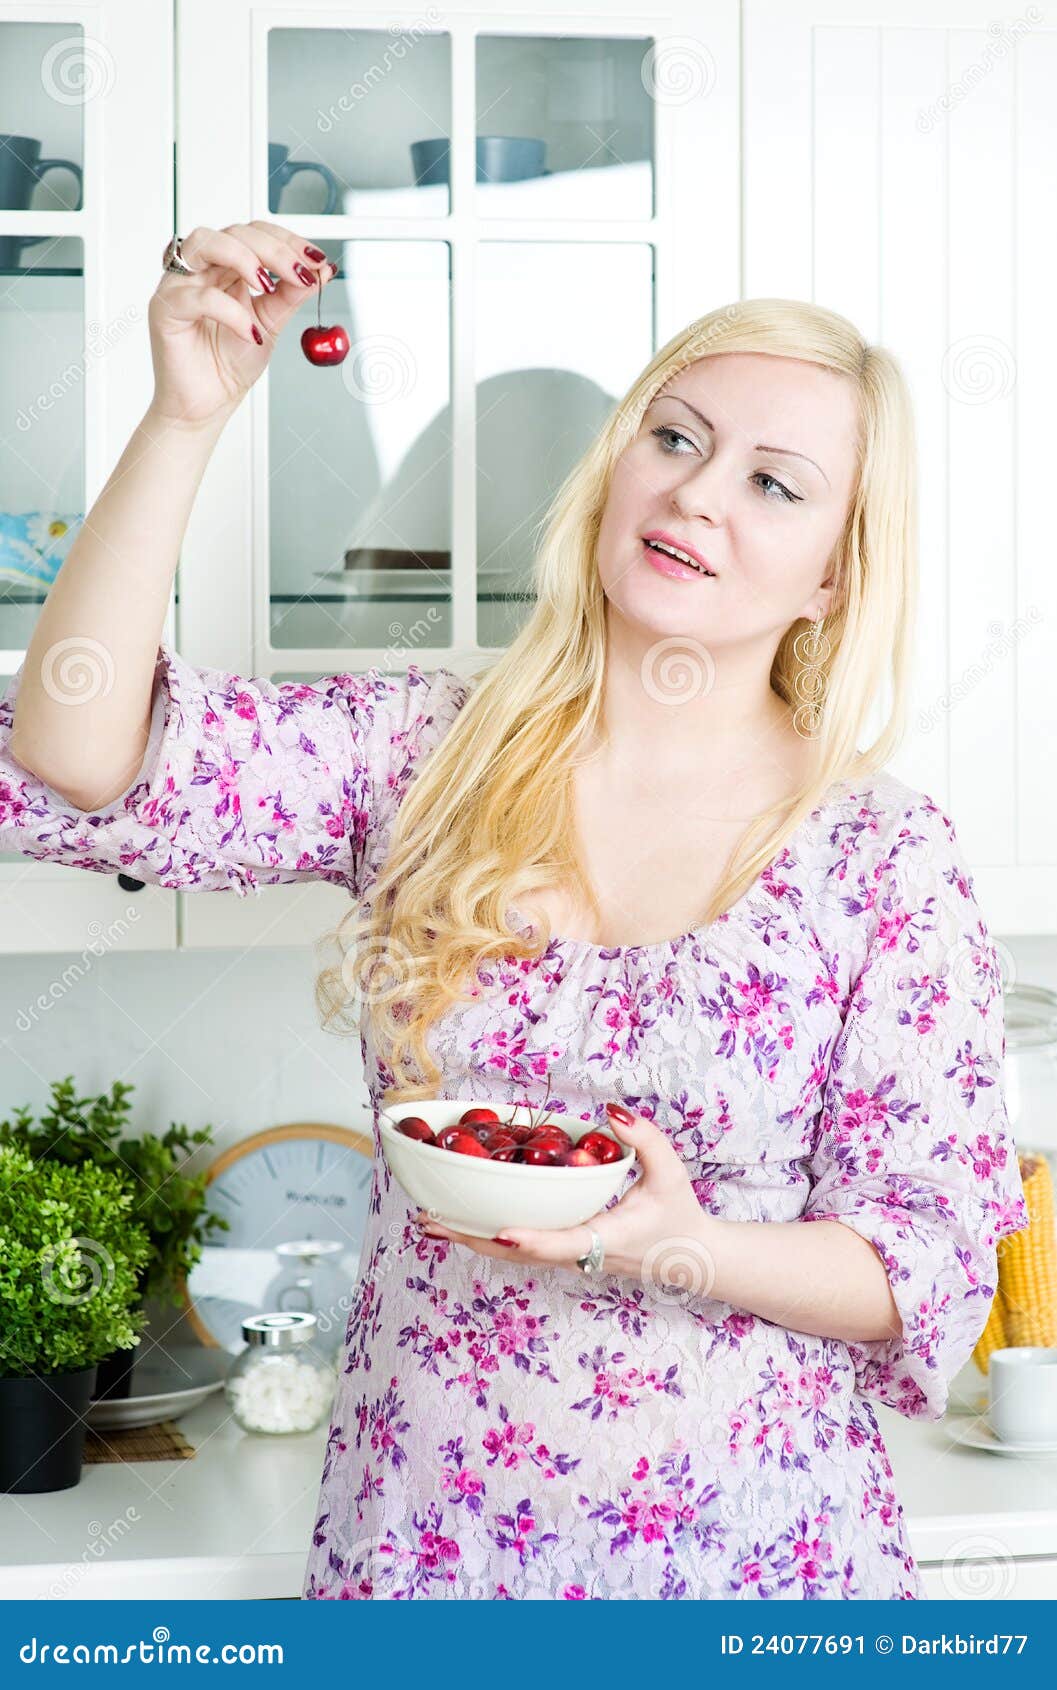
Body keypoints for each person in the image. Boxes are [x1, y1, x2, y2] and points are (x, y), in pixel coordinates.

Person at [0, 222, 1028, 1600]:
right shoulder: (420, 754)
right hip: (430, 1551)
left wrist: (674, 1242)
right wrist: (186, 413)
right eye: (674, 437)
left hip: (760, 1568)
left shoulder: (880, 857)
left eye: (774, 483)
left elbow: (929, 1260)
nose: (696, 495)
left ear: (833, 574)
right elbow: (75, 748)